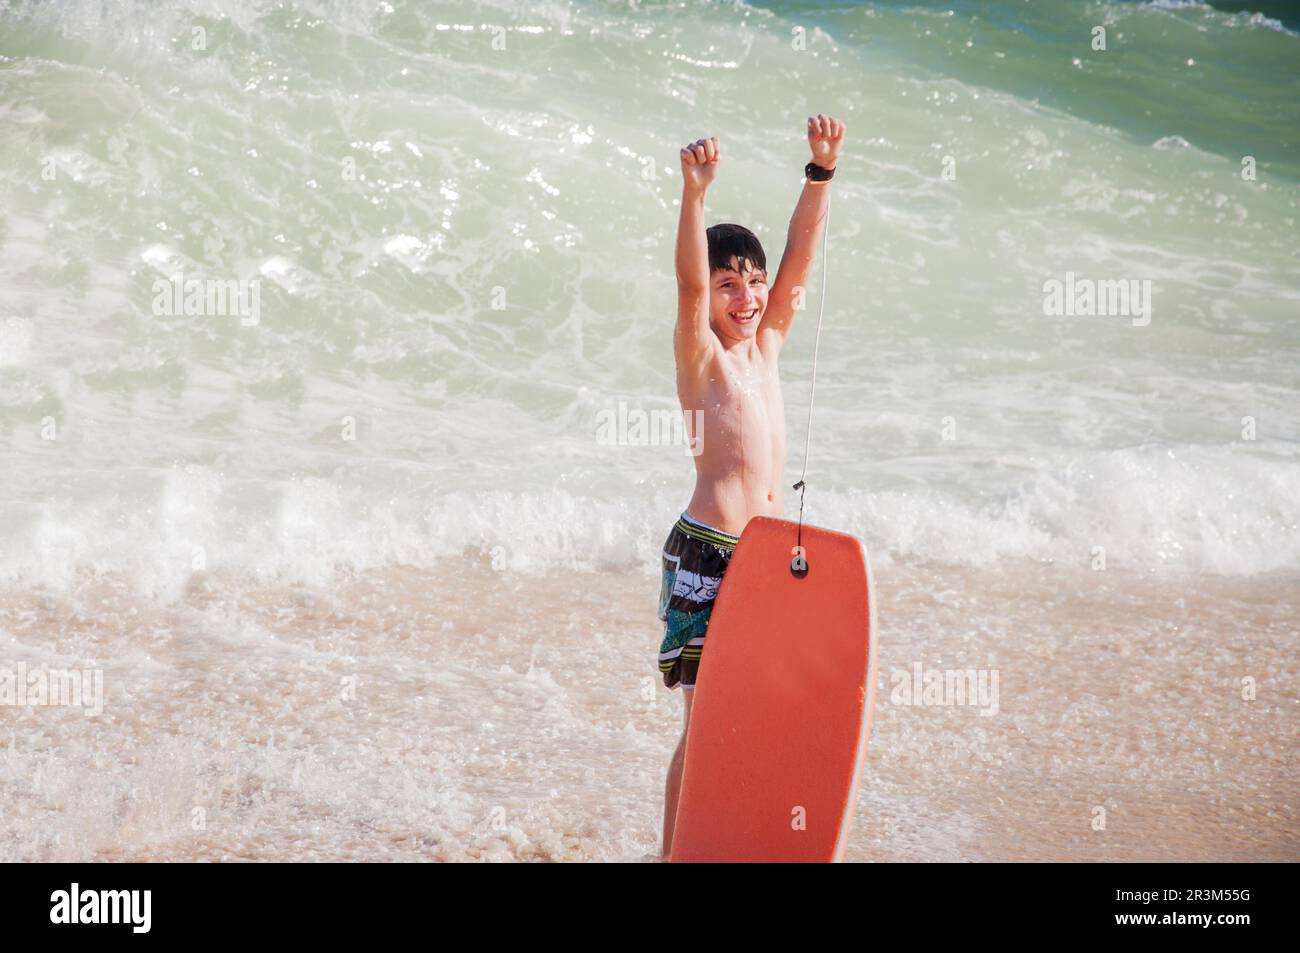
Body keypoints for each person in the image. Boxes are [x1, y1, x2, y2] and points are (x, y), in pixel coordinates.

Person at [658, 114, 845, 861]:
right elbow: (686, 280)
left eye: (753, 282)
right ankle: (674, 853)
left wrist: (820, 172)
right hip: (707, 555)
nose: (746, 295)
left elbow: (801, 255)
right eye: (730, 284)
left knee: (761, 716)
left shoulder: (767, 349)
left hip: (766, 563)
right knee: (703, 726)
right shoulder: (703, 360)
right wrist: (695, 194)